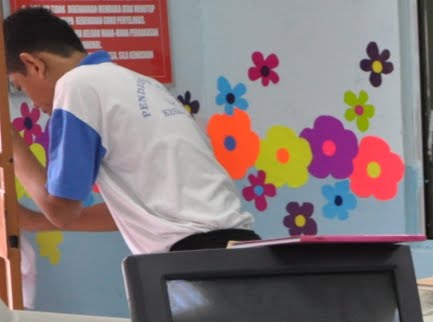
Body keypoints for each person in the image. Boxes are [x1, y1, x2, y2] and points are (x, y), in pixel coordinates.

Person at [4, 6, 257, 254]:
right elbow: (140, 212)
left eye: (19, 85)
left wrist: (8, 136)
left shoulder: (75, 86)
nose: (33, 103)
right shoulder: (142, 84)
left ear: (34, 65)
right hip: (242, 247)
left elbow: (61, 210)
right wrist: (33, 221)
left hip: (193, 257)